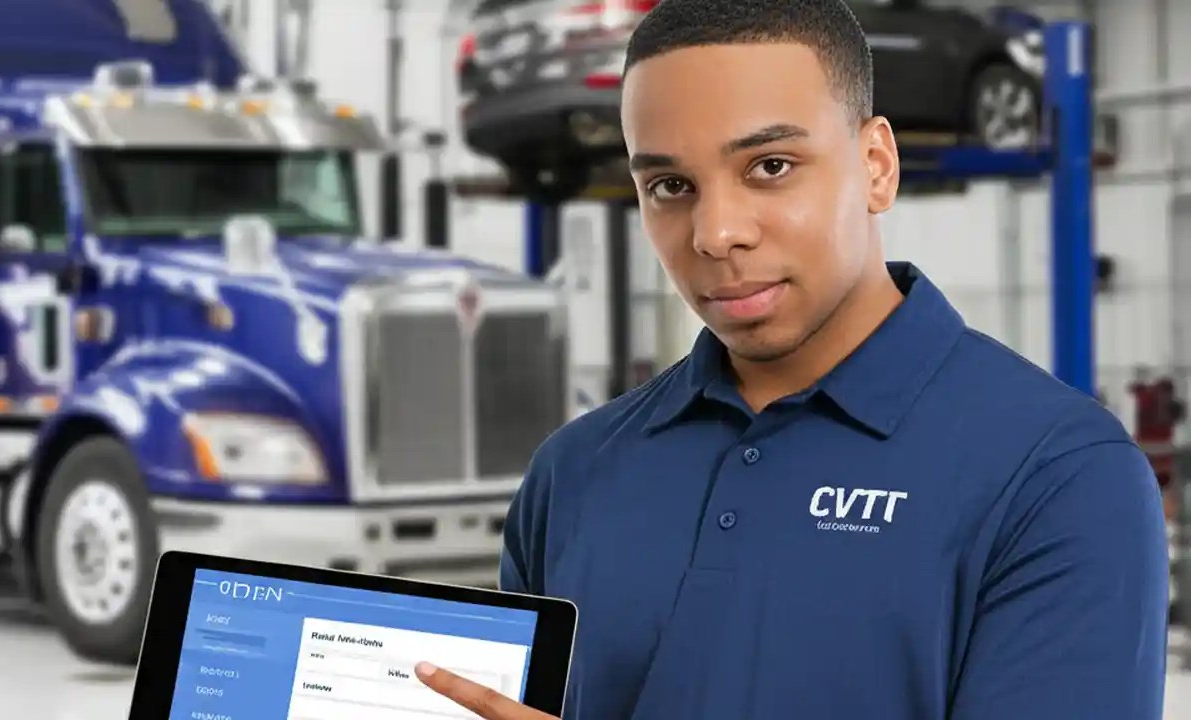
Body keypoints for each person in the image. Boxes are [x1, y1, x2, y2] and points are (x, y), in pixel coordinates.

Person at [416, 0, 1170, 717]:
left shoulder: (1058, 477)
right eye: (670, 185)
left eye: (770, 166)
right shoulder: (573, 473)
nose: (716, 233)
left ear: (876, 165)